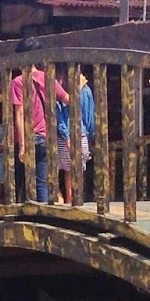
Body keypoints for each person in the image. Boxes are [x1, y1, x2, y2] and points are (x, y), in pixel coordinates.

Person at [9, 49, 69, 204]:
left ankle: (32, 215)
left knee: (23, 181)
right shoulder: (47, 78)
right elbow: (67, 99)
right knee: (42, 182)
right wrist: (80, 87)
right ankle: (42, 215)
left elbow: (20, 114)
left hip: (29, 136)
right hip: (45, 136)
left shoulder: (18, 82)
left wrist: (22, 144)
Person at [55, 71, 96, 206]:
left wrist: (66, 135)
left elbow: (59, 117)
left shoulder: (59, 89)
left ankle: (68, 200)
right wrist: (89, 135)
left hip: (63, 136)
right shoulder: (86, 91)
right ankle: (76, 202)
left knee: (65, 171)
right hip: (81, 134)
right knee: (77, 172)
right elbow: (89, 117)